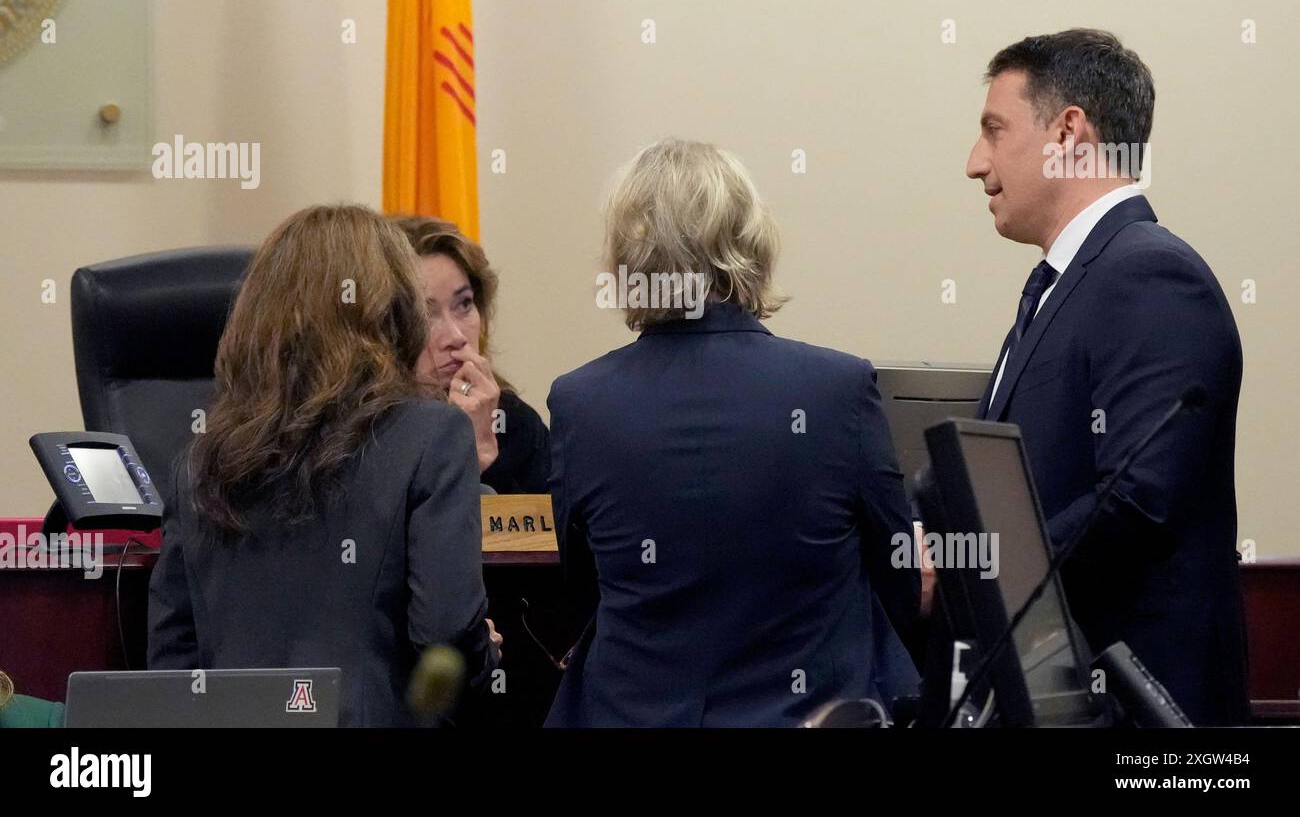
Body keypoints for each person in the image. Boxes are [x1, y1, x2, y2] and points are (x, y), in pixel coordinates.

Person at [545, 139, 921, 727]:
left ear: (625, 259)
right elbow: (900, 584)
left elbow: (580, 588)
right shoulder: (838, 387)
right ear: (748, 241)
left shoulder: (579, 402)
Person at [965, 29, 1249, 725]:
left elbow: (1138, 500)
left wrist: (981, 564)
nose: (976, 163)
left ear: (1068, 132)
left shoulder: (1149, 275)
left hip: (1136, 717)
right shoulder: (1061, 286)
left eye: (994, 131)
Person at [148, 204, 501, 726]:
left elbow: (172, 656)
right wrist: (486, 655)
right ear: (390, 311)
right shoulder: (432, 434)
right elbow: (443, 634)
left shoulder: (200, 457)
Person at [394, 216, 550, 495]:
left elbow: (550, 535)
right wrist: (463, 463)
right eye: (425, 314)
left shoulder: (513, 423)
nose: (456, 336)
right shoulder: (369, 435)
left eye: (464, 304)